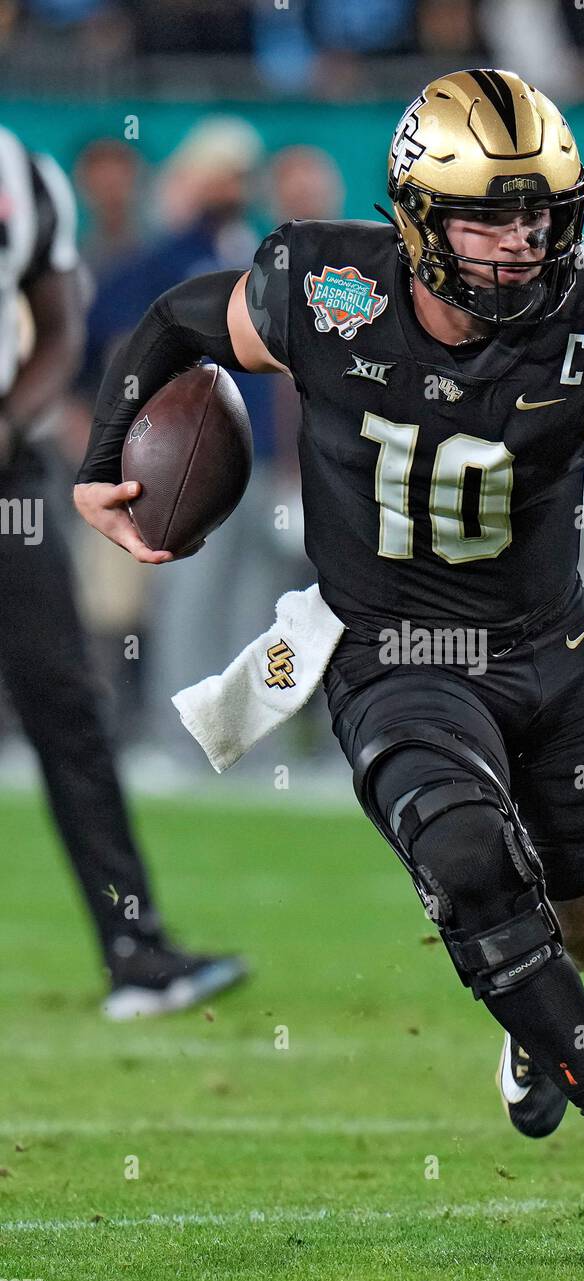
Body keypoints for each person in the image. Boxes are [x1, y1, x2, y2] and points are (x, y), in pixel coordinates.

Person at [73, 70, 584, 1249]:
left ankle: (530, 1016)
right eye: (489, 213)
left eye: (537, 212)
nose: (519, 240)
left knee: (582, 929)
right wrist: (106, 453)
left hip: (546, 650)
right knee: (470, 859)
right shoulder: (326, 291)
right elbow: (182, 317)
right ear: (417, 221)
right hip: (386, 651)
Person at [0, 124, 246, 1019]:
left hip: (4, 481)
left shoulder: (20, 174)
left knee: (67, 703)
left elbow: (56, 325)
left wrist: (7, 423)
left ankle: (136, 948)